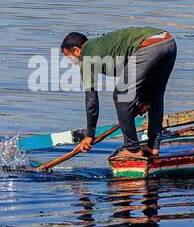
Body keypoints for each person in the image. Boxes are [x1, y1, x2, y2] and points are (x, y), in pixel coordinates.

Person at [60, 27, 178, 158]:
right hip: (168, 42)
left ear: (77, 50)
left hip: (148, 47)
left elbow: (91, 100)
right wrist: (143, 99)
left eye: (70, 58)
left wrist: (89, 134)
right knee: (154, 96)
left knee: (121, 96)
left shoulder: (85, 56)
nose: (74, 63)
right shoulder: (101, 47)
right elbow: (142, 76)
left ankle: (132, 149)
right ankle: (153, 147)